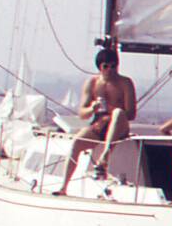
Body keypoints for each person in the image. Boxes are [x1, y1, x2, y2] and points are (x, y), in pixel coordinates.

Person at [53, 48, 136, 195]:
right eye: (106, 66)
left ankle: (104, 159)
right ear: (100, 67)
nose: (110, 69)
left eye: (113, 66)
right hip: (98, 124)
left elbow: (130, 113)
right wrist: (93, 108)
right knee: (76, 143)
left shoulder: (125, 83)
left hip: (119, 125)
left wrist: (110, 112)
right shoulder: (92, 83)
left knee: (118, 112)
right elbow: (82, 113)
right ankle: (63, 187)